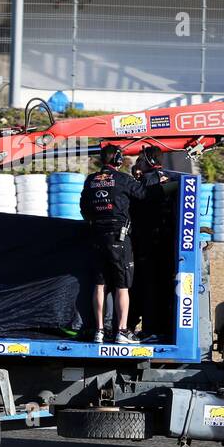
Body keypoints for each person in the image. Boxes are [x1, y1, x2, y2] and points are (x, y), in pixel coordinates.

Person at [79, 144, 148, 344]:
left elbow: (83, 208)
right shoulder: (123, 179)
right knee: (122, 285)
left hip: (96, 236)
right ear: (118, 160)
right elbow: (144, 194)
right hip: (118, 237)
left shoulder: (90, 180)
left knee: (99, 284)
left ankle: (99, 330)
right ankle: (122, 331)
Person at [127, 146, 179, 341]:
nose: (136, 164)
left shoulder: (147, 181)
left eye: (139, 160)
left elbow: (135, 201)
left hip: (148, 242)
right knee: (160, 286)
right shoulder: (169, 178)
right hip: (166, 242)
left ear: (148, 161)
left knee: (146, 286)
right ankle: (157, 327)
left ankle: (150, 329)